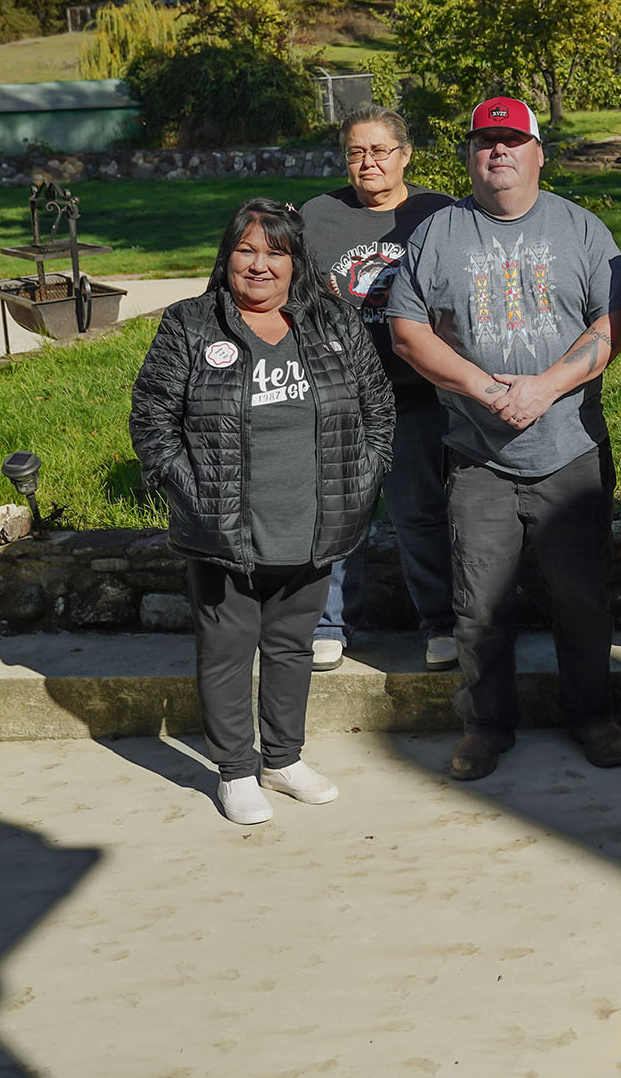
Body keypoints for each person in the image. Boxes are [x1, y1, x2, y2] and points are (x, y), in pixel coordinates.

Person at [388, 97, 621, 781]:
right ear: (468, 154)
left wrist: (545, 386)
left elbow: (615, 322)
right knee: (479, 601)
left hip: (570, 450)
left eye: (511, 141)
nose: (498, 152)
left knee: (581, 596)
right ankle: (487, 727)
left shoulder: (580, 229)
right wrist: (486, 389)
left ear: (537, 152)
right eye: (484, 141)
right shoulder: (437, 233)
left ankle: (592, 714)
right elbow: (408, 332)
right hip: (477, 454)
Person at [130, 198, 393, 826]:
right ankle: (235, 770)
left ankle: (282, 757)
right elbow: (152, 420)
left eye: (276, 251)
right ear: (226, 257)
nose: (260, 264)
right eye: (247, 249)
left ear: (297, 261)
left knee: (291, 646)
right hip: (223, 526)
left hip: (313, 521)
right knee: (227, 649)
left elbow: (376, 406)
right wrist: (190, 492)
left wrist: (365, 475)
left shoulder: (333, 323)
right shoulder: (190, 326)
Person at [300, 107, 456, 673]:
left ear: (405, 155)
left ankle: (442, 623)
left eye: (379, 151)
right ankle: (330, 624)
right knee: (341, 513)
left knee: (421, 511)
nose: (367, 163)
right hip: (342, 395)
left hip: (418, 393)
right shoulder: (318, 215)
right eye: (355, 153)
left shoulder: (439, 213)